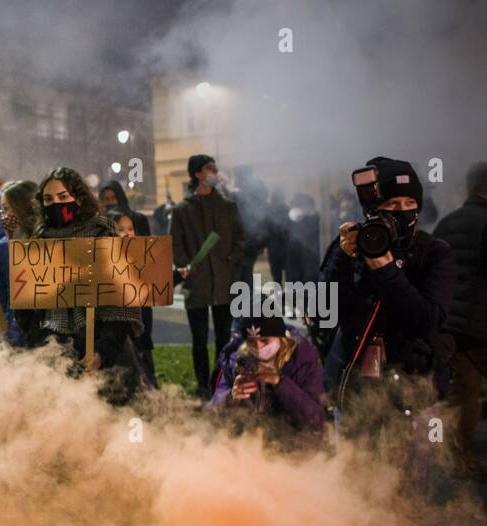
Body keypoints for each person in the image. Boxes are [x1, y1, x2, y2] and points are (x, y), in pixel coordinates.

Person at [323, 156, 456, 414]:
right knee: (353, 455)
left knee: (415, 454)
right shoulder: (353, 245)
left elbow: (427, 319)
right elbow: (323, 312)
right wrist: (341, 259)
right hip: (354, 384)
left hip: (413, 385)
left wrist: (386, 270)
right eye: (392, 203)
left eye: (410, 203)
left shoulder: (435, 253)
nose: (402, 210)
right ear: (374, 210)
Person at [15, 166, 143, 402]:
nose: (56, 204)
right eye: (48, 199)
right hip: (53, 351)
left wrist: (101, 353)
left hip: (103, 352)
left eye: (63, 197)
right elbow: (27, 312)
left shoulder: (103, 234)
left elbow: (120, 303)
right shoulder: (38, 242)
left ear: (79, 198)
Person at [168, 154, 246, 397]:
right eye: (210, 168)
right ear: (197, 174)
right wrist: (185, 266)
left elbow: (240, 239)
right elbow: (175, 244)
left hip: (223, 283)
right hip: (196, 284)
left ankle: (220, 381)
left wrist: (230, 261)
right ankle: (203, 385)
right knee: (199, 339)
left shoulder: (228, 206)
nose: (215, 171)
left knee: (224, 338)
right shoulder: (182, 210)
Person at [433, 160, 487, 481]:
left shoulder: (447, 223)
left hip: (451, 325)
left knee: (462, 395)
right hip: (482, 324)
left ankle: (460, 459)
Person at [208, 314, 327, 433]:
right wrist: (229, 398)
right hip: (248, 441)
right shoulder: (236, 362)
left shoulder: (302, 362)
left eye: (265, 340)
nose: (258, 347)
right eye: (251, 342)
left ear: (280, 337)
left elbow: (317, 419)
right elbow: (211, 412)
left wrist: (280, 383)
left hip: (294, 443)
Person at [107, 208, 158, 388]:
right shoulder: (104, 262)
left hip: (141, 329)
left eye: (130, 228)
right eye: (121, 229)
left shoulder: (142, 257)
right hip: (118, 336)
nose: (128, 233)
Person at [0, 179, 39, 345]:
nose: (4, 216)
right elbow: (2, 296)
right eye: (2, 210)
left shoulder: (48, 243)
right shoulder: (3, 247)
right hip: (16, 333)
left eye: (7, 209)